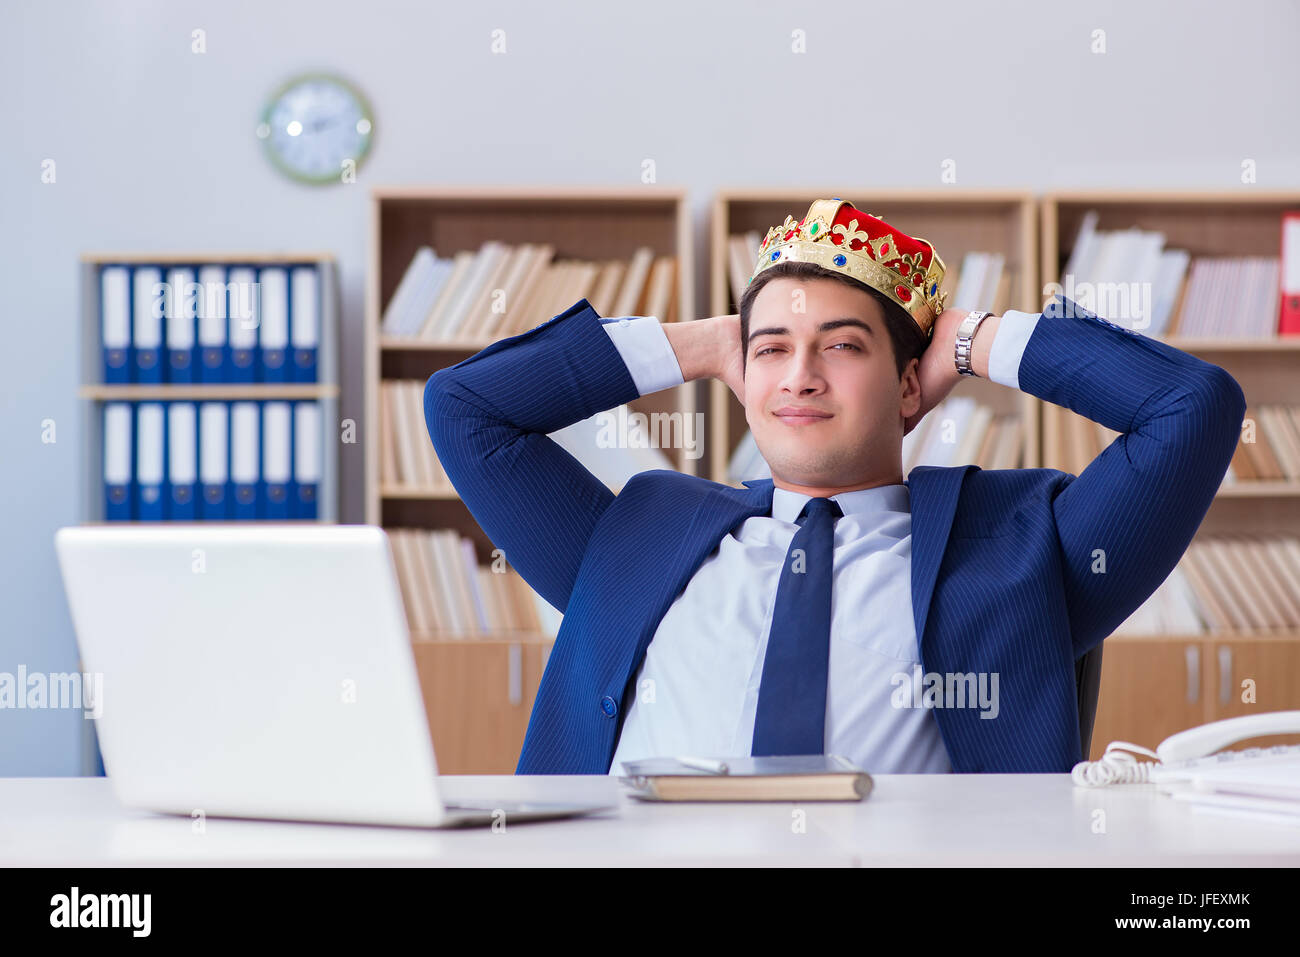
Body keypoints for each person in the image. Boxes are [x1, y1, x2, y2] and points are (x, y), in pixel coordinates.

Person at [424, 198, 1245, 774]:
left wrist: (970, 338)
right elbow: (465, 408)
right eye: (774, 350)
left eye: (843, 347)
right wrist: (712, 343)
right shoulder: (635, 532)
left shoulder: (1027, 546)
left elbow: (1191, 408)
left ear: (911, 388)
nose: (801, 376)